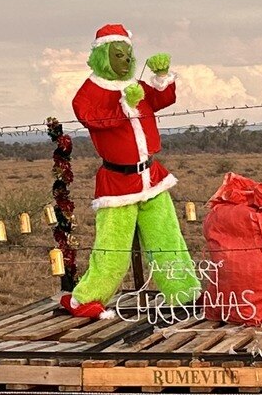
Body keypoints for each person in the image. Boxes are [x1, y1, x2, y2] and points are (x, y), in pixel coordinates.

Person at [64, 23, 200, 319]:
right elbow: (91, 117)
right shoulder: (89, 91)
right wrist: (125, 105)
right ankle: (86, 299)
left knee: (168, 241)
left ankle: (185, 293)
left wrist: (161, 76)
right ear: (102, 56)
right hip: (117, 184)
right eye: (118, 54)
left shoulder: (133, 84)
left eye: (128, 54)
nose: (126, 60)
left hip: (152, 178)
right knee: (112, 249)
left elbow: (161, 99)